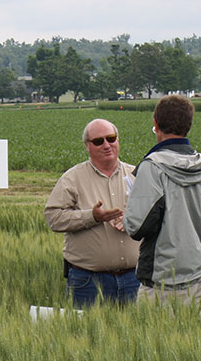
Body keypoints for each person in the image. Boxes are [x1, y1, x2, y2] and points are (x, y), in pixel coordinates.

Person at [123, 95, 201, 306]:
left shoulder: (152, 168)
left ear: (156, 124)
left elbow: (136, 227)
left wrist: (129, 210)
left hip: (162, 281)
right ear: (189, 125)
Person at [45, 118, 141, 307]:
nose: (107, 145)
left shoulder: (137, 175)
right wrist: (92, 217)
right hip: (88, 281)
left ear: (118, 140)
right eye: (98, 141)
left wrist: (134, 219)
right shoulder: (72, 178)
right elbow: (53, 218)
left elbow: (158, 215)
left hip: (135, 278)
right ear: (87, 146)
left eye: (111, 138)